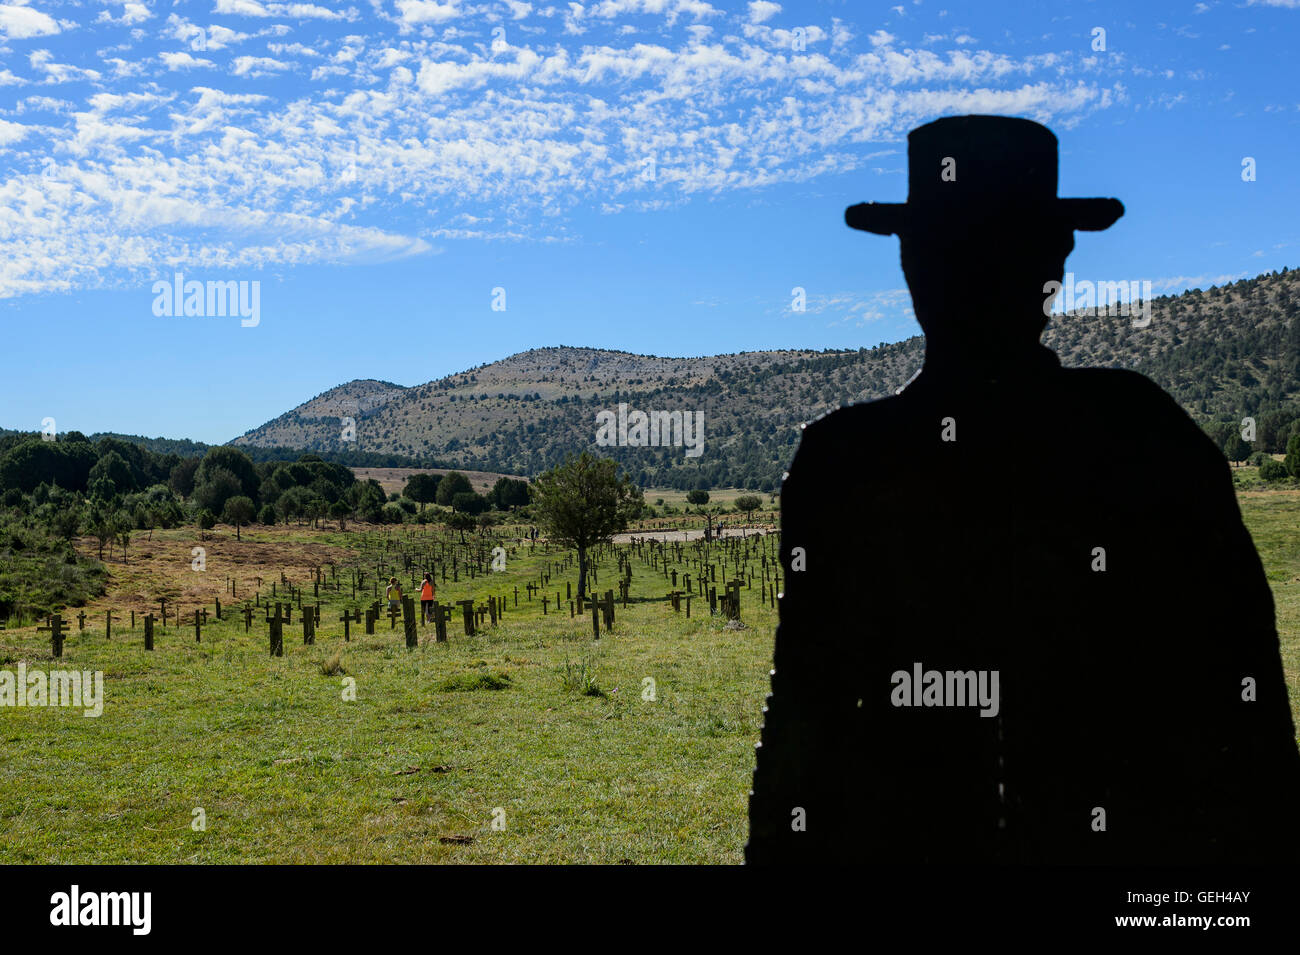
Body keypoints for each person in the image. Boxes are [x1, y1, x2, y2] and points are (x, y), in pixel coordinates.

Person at [745, 115, 1300, 865]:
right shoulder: (1145, 436)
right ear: (1058, 258)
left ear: (909, 263)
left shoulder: (845, 459)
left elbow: (800, 731)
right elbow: (1246, 709)